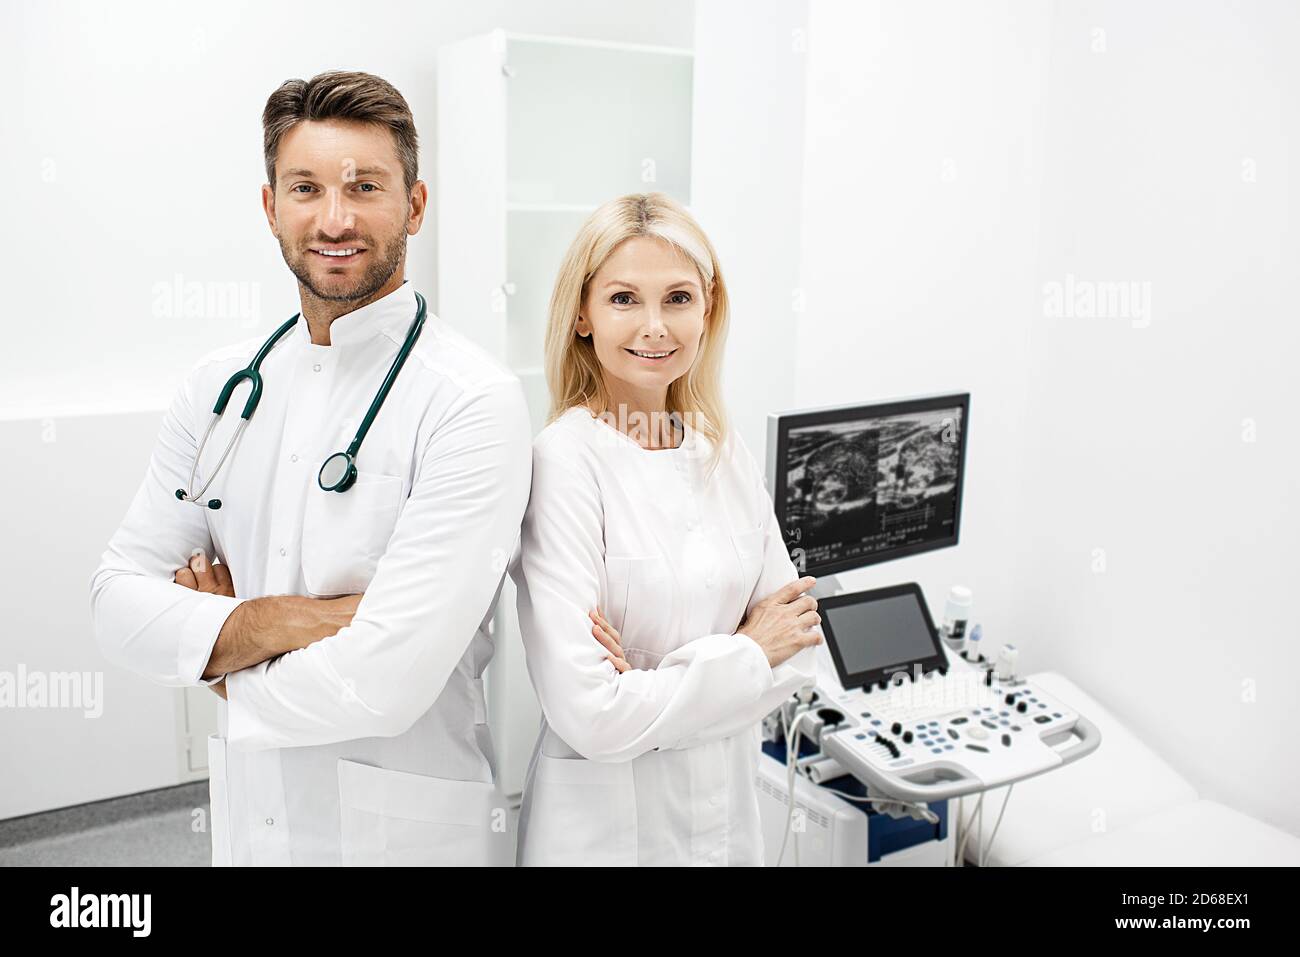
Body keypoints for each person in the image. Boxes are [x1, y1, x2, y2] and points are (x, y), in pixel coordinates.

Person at [89, 71, 531, 866]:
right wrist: (291, 620)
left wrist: (217, 662)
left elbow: (387, 682)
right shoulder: (221, 388)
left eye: (366, 186)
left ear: (416, 206)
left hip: (404, 835)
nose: (335, 218)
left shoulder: (472, 401)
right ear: (271, 209)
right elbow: (117, 600)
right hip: (251, 822)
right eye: (306, 188)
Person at [510, 192, 821, 866]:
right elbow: (590, 713)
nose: (655, 325)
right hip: (601, 835)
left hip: (727, 823)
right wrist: (744, 653)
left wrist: (650, 682)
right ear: (583, 315)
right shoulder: (564, 460)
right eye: (624, 298)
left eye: (678, 298)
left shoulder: (721, 451)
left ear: (709, 310)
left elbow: (798, 651)